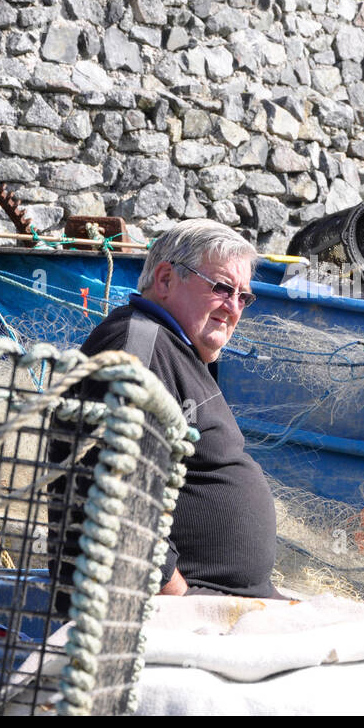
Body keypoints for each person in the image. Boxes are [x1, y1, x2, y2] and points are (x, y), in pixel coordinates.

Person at [47, 219, 279, 607]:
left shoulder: (175, 347)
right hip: (168, 605)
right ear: (166, 279)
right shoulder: (141, 344)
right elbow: (109, 489)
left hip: (214, 598)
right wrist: (178, 598)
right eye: (222, 288)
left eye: (244, 297)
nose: (233, 308)